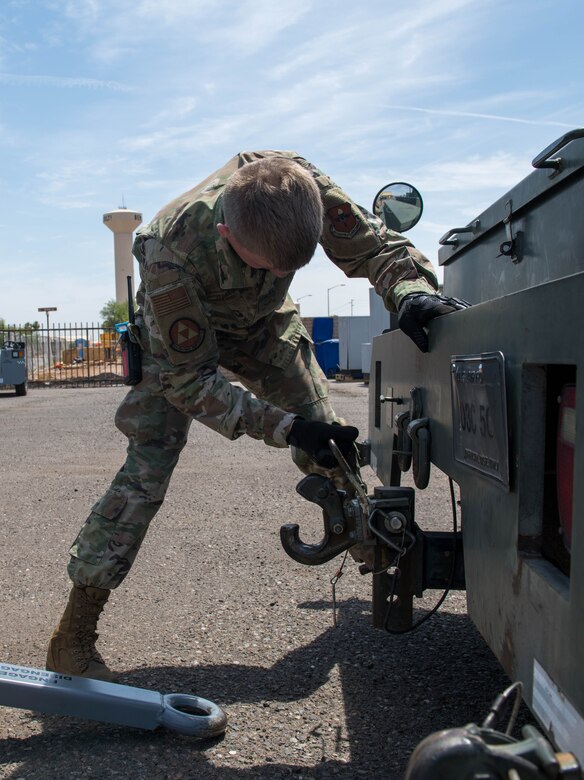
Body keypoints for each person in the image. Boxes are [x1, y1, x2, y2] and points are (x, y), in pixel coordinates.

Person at [46, 150, 466, 681]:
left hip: (266, 328)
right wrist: (288, 429)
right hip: (179, 350)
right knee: (146, 470)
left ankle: (376, 550)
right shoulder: (167, 250)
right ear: (224, 232)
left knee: (331, 443)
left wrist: (409, 291)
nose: (279, 275)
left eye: (293, 267)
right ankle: (74, 636)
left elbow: (374, 246)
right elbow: (192, 384)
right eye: (265, 266)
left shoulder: (303, 187)